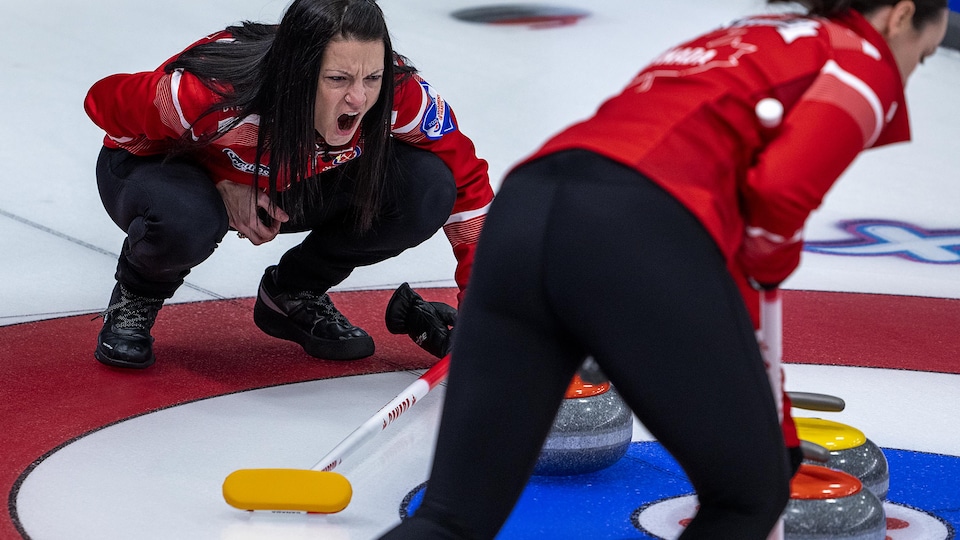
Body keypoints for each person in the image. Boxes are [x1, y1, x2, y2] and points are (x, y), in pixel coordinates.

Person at [379, 0, 948, 538]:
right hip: (634, 226)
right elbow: (778, 197)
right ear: (899, 16)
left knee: (454, 518)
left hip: (528, 206)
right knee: (751, 494)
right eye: (920, 56)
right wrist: (774, 266)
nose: (907, 75)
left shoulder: (747, 35)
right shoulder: (862, 58)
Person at [84, 0, 493, 369]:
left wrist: (481, 315)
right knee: (186, 216)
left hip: (284, 178)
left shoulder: (402, 97)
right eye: (338, 79)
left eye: (372, 77)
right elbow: (100, 102)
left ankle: (293, 294)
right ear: (297, 74)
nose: (359, 99)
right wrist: (217, 180)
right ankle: (137, 297)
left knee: (430, 185)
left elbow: (469, 186)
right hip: (158, 169)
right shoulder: (208, 94)